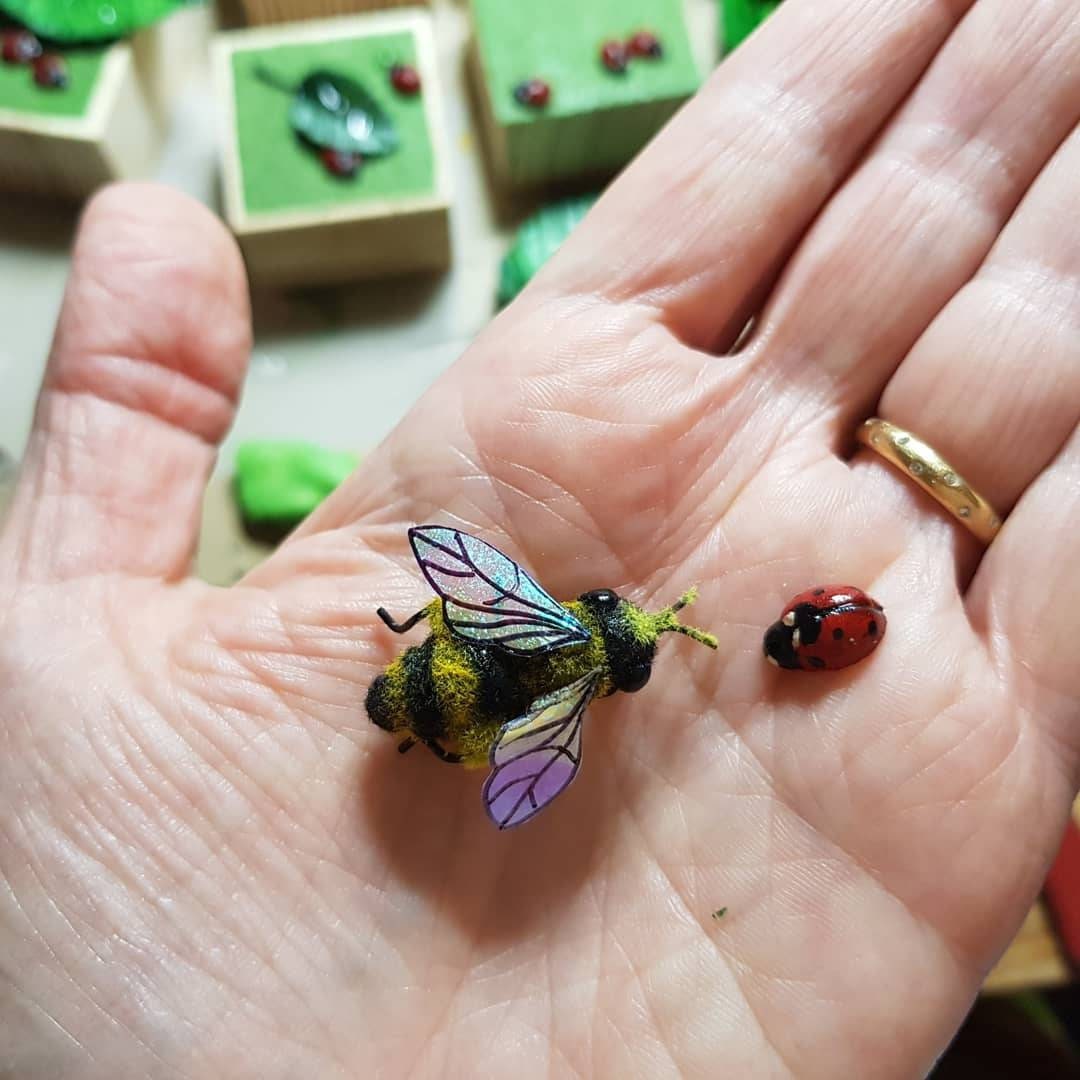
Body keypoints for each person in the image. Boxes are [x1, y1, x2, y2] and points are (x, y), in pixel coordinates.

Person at [1, 0, 1078, 1074]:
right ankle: (429, 703)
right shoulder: (574, 702)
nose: (627, 624)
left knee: (469, 649)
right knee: (477, 688)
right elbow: (519, 759)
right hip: (445, 707)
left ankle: (427, 692)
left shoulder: (544, 624)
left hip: (446, 683)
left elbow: (468, 594)